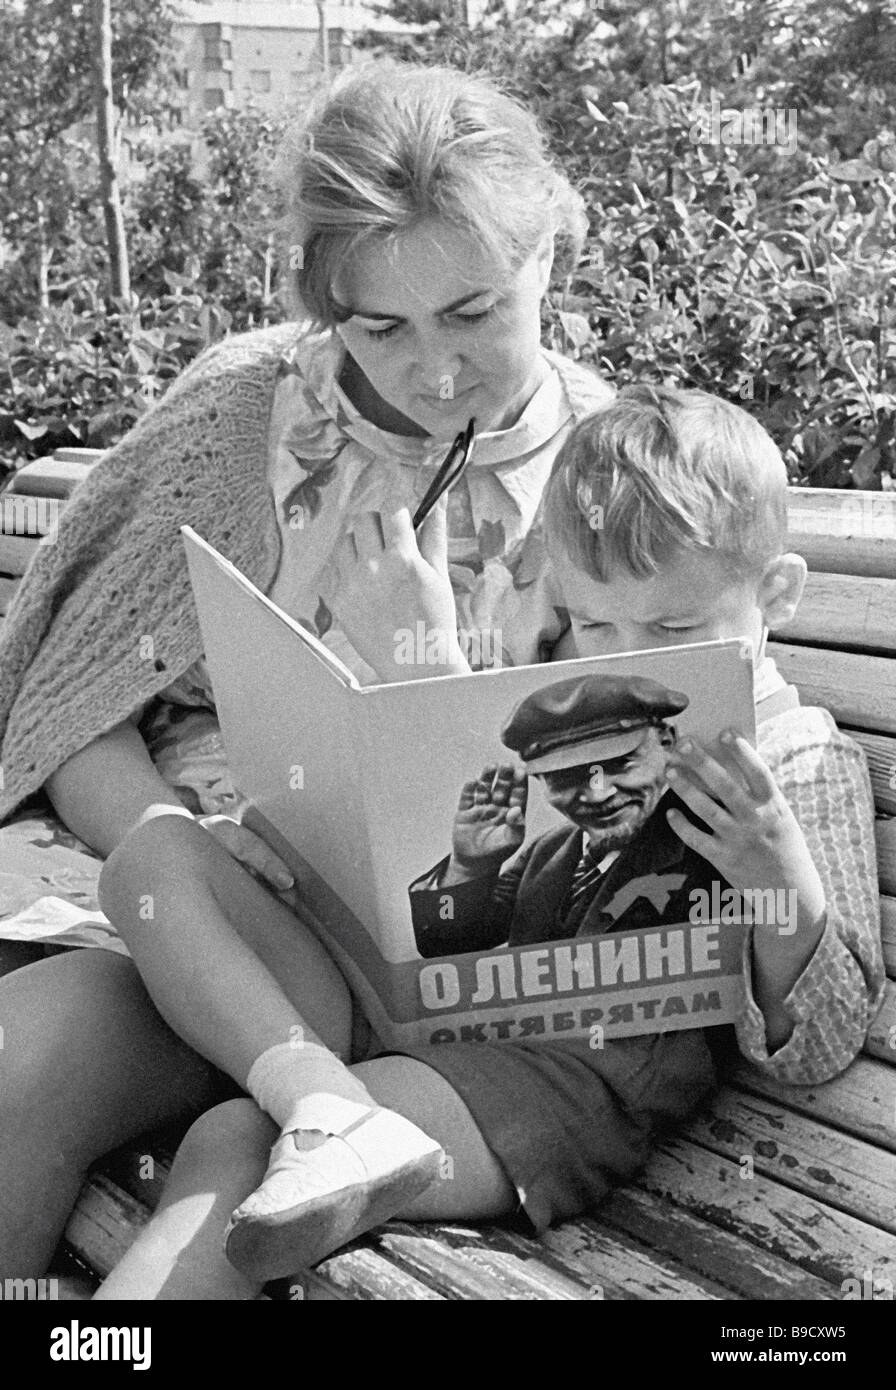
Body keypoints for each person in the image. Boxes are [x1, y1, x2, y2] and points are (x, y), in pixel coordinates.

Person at [0, 60, 614, 1285]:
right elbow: (73, 715)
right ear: (321, 300)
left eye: (476, 311)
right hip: (200, 918)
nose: (433, 371)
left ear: (554, 255)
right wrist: (188, 847)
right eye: (378, 326)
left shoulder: (610, 477)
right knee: (20, 1064)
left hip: (442, 979)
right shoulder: (245, 414)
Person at [90, 383, 884, 1298]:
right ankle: (318, 1097)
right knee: (153, 855)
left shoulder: (800, 757)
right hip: (415, 1013)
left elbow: (820, 1044)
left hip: (562, 1080)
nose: (618, 655)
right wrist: (463, 854)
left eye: (673, 630)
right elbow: (466, 934)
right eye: (593, 623)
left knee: (234, 1144)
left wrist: (780, 881)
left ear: (777, 591)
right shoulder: (554, 712)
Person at [409, 673, 727, 957]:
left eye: (621, 763)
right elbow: (443, 944)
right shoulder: (547, 852)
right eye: (567, 777)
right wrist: (469, 868)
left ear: (667, 742)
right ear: (539, 779)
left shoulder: (718, 843)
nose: (599, 793)